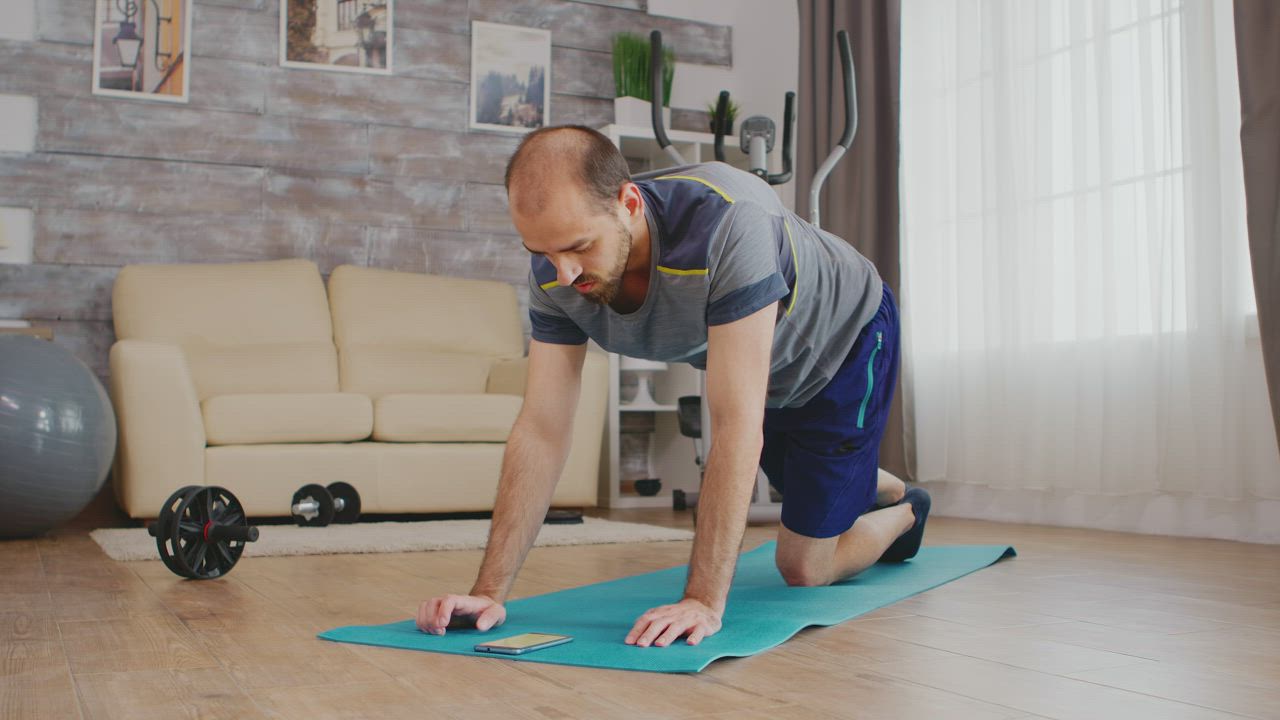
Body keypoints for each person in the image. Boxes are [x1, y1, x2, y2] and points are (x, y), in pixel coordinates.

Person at [416, 125, 930, 648]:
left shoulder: (729, 223)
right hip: (765, 375)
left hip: (846, 345)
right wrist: (488, 592)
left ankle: (908, 509)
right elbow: (542, 428)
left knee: (803, 567)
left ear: (629, 202)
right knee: (806, 479)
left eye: (579, 248)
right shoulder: (555, 269)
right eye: (542, 252)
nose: (564, 273)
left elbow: (735, 426)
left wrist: (703, 600)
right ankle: (865, 479)